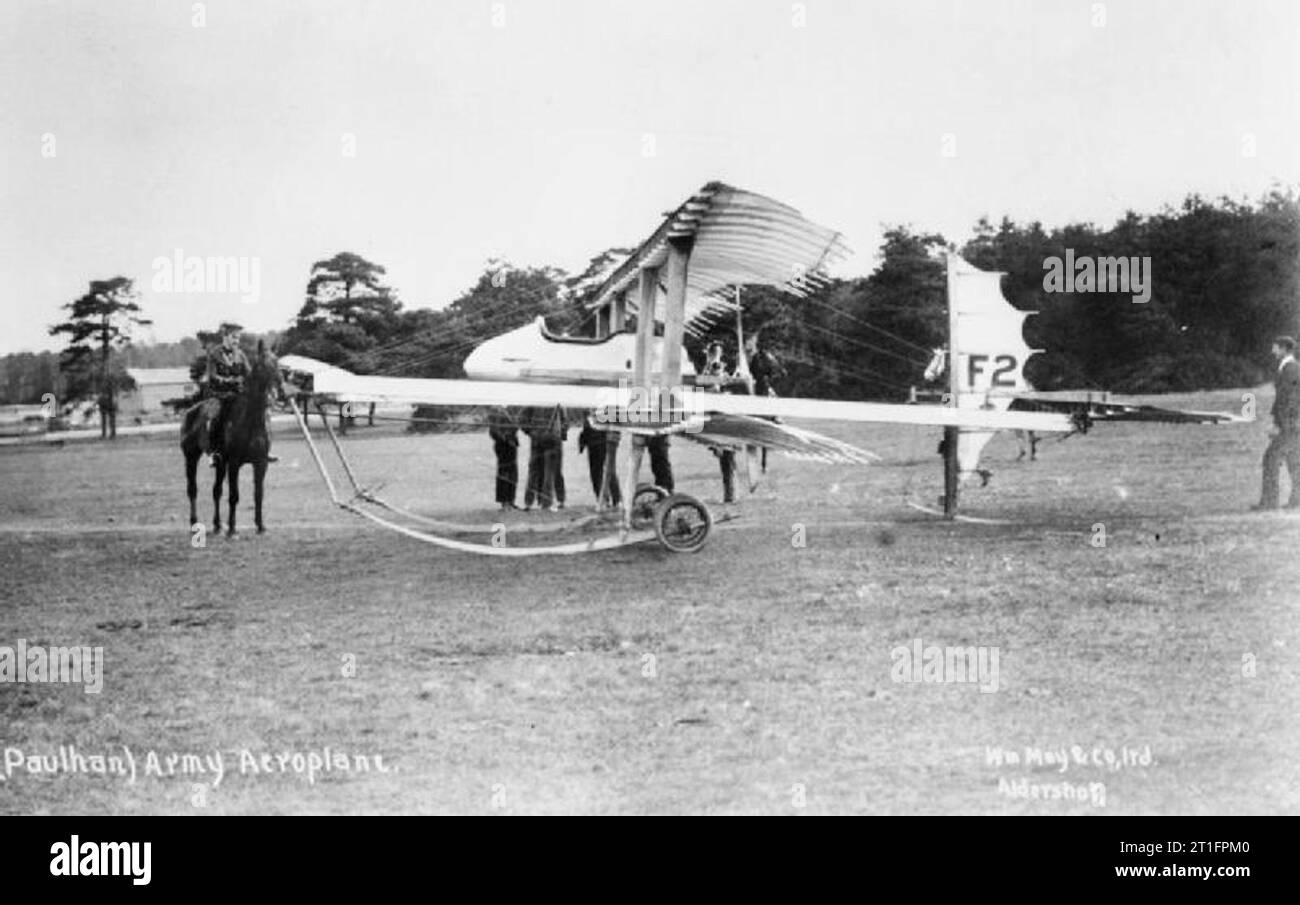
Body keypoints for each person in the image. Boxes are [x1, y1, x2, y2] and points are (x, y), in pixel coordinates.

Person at [1254, 335, 1300, 510]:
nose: (1272, 351)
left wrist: (1279, 425)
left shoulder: (1291, 369)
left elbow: (1289, 400)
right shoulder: (1288, 368)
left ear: (1283, 349)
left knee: (1270, 459)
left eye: (1275, 347)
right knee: (1294, 461)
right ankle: (1296, 500)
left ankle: (1269, 502)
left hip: (1290, 425)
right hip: (1292, 424)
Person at [204, 323, 251, 467]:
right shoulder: (214, 354)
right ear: (225, 337)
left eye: (238, 338)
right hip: (219, 394)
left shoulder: (240, 354)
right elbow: (212, 376)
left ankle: (259, 449)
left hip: (237, 394)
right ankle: (213, 453)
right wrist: (229, 381)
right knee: (215, 418)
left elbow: (249, 373)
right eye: (234, 337)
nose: (237, 341)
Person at [700, 341, 738, 503]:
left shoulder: (716, 368)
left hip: (722, 418)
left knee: (727, 458)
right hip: (715, 418)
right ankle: (730, 493)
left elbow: (719, 388)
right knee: (726, 458)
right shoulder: (709, 369)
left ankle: (730, 493)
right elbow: (707, 387)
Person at [578, 414, 622, 506]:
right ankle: (612, 499)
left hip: (599, 441)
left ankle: (609, 499)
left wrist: (582, 442)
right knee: (604, 471)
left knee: (601, 472)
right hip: (598, 441)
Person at [486, 406, 519, 510]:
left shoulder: (510, 411)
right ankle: (504, 502)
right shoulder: (496, 411)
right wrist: (505, 438)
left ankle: (511, 500)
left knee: (513, 474)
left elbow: (515, 426)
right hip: (503, 446)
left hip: (511, 446)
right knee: (504, 473)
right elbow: (493, 431)